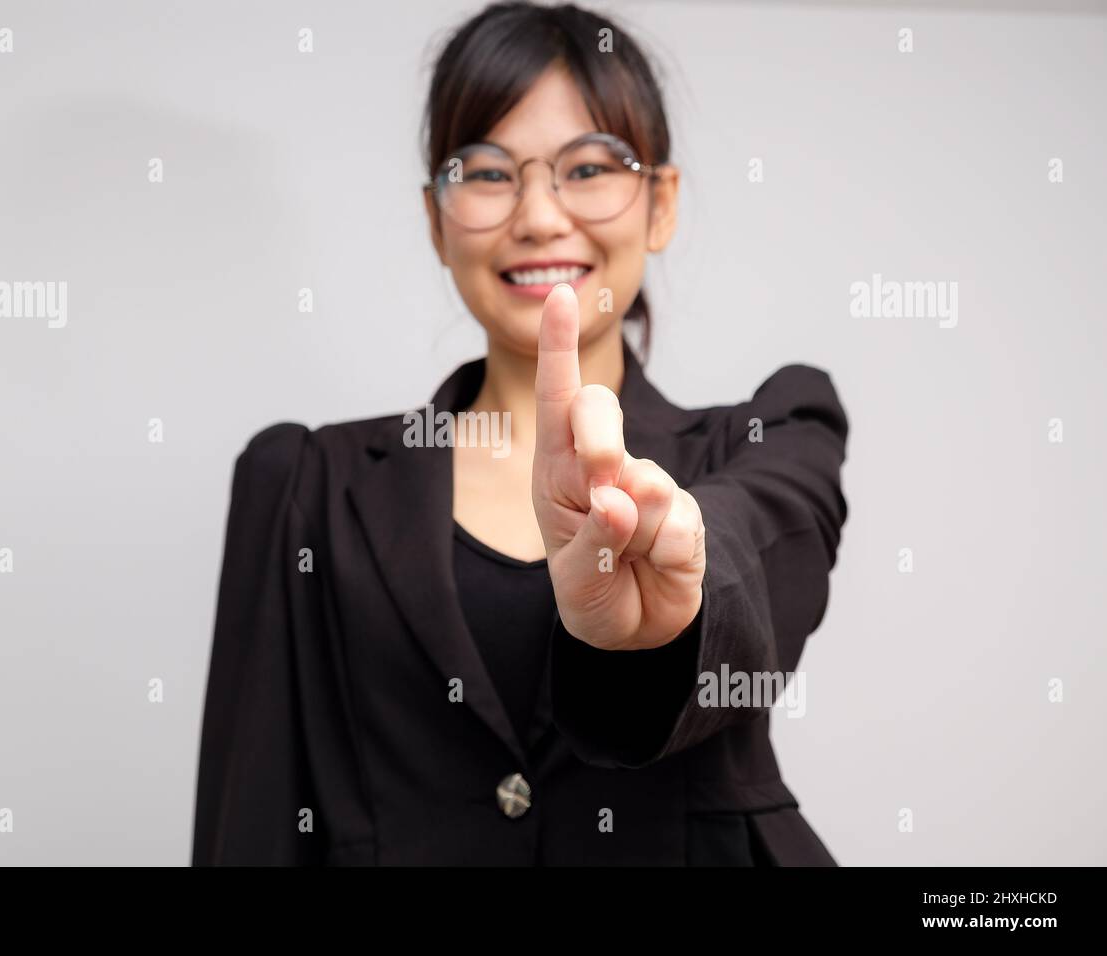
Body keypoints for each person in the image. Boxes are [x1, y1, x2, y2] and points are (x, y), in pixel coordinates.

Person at [192, 0, 849, 866]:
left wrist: (666, 598)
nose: (538, 216)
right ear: (435, 218)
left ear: (661, 203)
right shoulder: (306, 484)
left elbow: (747, 559)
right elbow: (255, 825)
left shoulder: (769, 441)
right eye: (488, 172)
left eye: (589, 168)